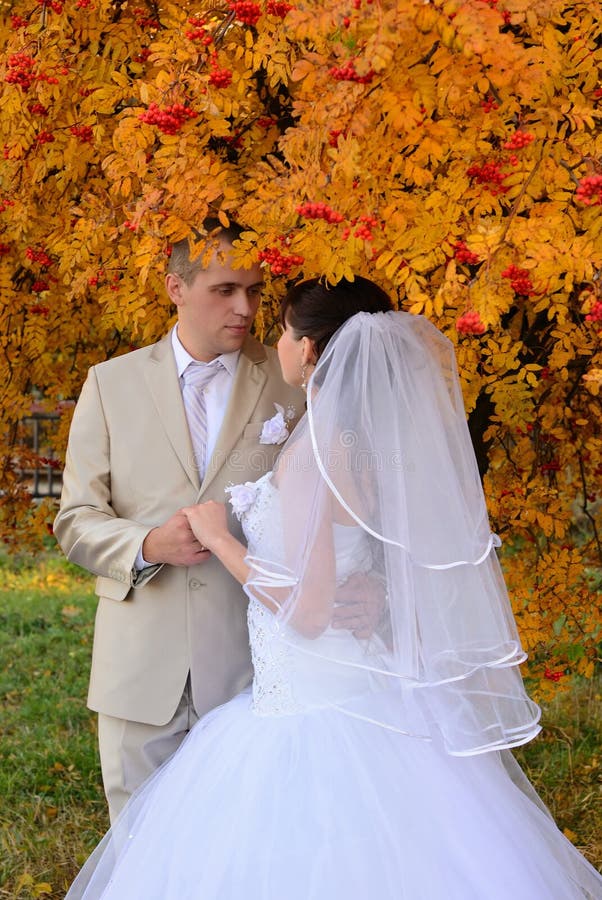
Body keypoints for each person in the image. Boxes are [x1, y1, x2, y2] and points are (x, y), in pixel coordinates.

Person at [66, 276, 602, 899]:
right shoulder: (361, 439)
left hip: (307, 699)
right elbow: (373, 539)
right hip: (357, 686)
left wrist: (222, 540)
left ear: (312, 350)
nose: (272, 337)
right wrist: (371, 580)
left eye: (284, 329)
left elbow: (310, 608)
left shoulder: (314, 446)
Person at [53, 218, 306, 822]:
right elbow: (76, 519)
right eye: (225, 290)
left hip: (254, 670)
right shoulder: (109, 385)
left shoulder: (291, 380)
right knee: (141, 850)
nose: (245, 308)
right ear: (176, 288)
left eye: (254, 291)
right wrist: (148, 542)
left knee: (245, 848)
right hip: (140, 671)